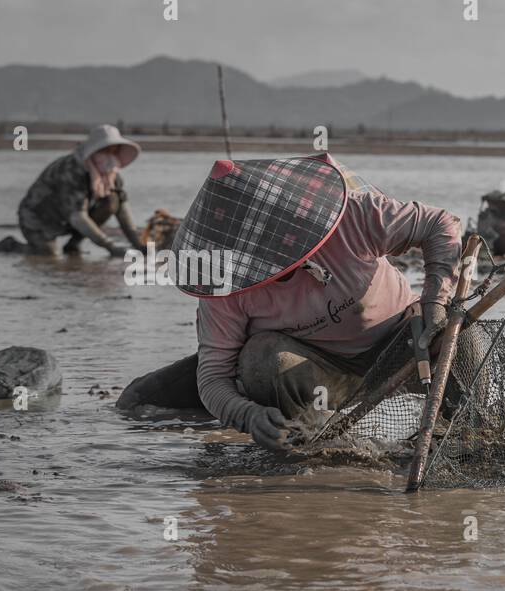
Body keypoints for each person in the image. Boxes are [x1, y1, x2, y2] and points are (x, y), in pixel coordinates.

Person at [117, 153, 463, 451]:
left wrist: (436, 300)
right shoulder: (223, 285)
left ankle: (470, 434)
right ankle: (315, 443)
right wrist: (248, 416)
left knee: (465, 335)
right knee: (259, 358)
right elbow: (212, 377)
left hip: (405, 345)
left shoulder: (350, 218)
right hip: (314, 372)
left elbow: (440, 224)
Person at [18, 124, 145, 257]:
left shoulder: (110, 175)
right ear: (93, 151)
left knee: (112, 200)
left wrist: (139, 245)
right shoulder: (70, 170)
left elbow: (122, 208)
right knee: (49, 254)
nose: (109, 156)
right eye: (105, 150)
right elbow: (78, 216)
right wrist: (110, 246)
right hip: (38, 219)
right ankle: (12, 247)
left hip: (68, 221)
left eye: (114, 150)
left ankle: (73, 244)